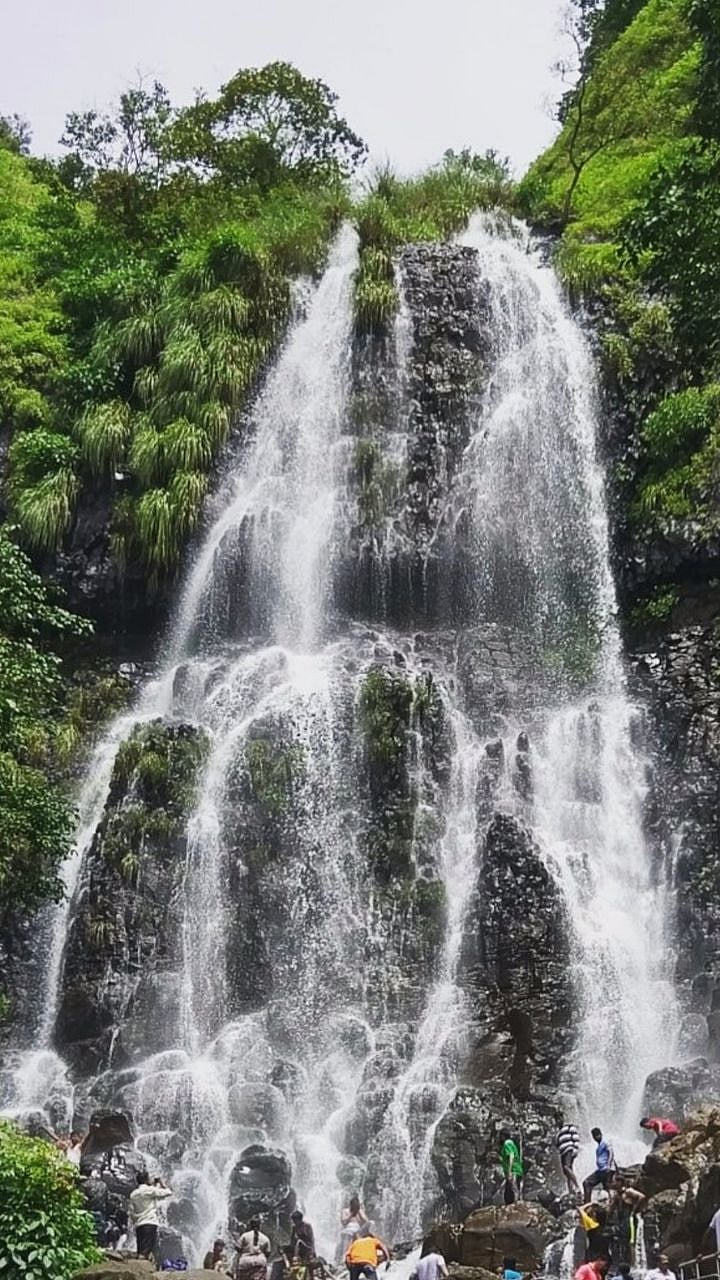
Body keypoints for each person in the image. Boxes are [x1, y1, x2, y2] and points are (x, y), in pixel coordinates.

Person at [129, 1172, 172, 1261]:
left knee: (141, 1251)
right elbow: (168, 1192)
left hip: (139, 1225)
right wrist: (161, 1182)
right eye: (149, 1178)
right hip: (149, 1223)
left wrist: (153, 1185)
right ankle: (142, 1271)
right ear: (146, 1180)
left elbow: (132, 1211)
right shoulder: (149, 1190)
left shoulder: (133, 1194)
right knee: (145, 1254)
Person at [583, 1129, 616, 1200]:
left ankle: (611, 1204)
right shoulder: (599, 1146)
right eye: (594, 1136)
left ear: (600, 1134)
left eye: (596, 1135)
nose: (595, 1138)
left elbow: (611, 1153)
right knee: (588, 1183)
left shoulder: (605, 1142)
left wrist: (608, 1166)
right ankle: (588, 1204)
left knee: (587, 1183)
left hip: (606, 1170)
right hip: (601, 1170)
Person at [555, 1120, 581, 1196]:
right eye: (556, 1119)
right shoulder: (558, 1133)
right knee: (567, 1172)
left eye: (560, 1118)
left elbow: (575, 1137)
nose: (558, 1121)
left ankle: (577, 1186)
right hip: (562, 1153)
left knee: (566, 1167)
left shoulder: (569, 1127)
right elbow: (557, 1144)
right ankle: (571, 1192)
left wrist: (575, 1149)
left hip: (569, 1149)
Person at [499, 1131, 524, 1204]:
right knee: (508, 1191)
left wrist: (510, 1171)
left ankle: (517, 1205)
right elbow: (507, 1158)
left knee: (514, 1189)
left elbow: (511, 1156)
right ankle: (513, 1204)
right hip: (513, 1170)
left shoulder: (507, 1143)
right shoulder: (510, 1143)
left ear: (503, 1136)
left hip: (513, 1171)